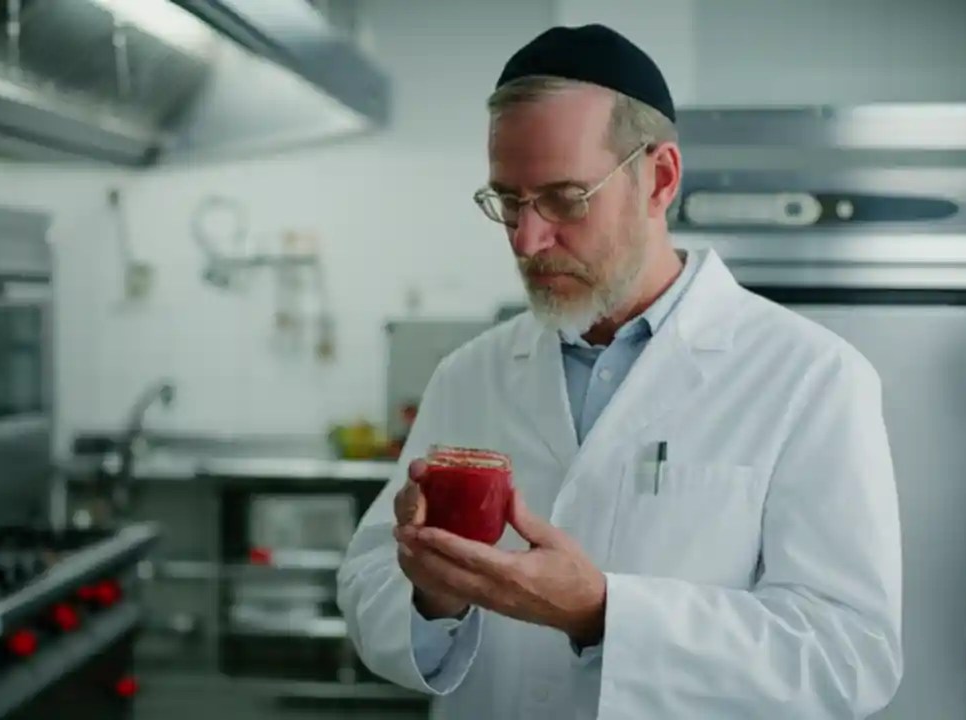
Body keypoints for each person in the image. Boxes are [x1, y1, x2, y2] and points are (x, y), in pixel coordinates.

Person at [337, 23, 903, 720]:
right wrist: (434, 598)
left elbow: (849, 657)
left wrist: (603, 612)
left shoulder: (812, 377)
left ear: (659, 178)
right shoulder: (470, 374)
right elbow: (366, 584)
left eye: (564, 199)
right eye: (508, 202)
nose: (527, 238)